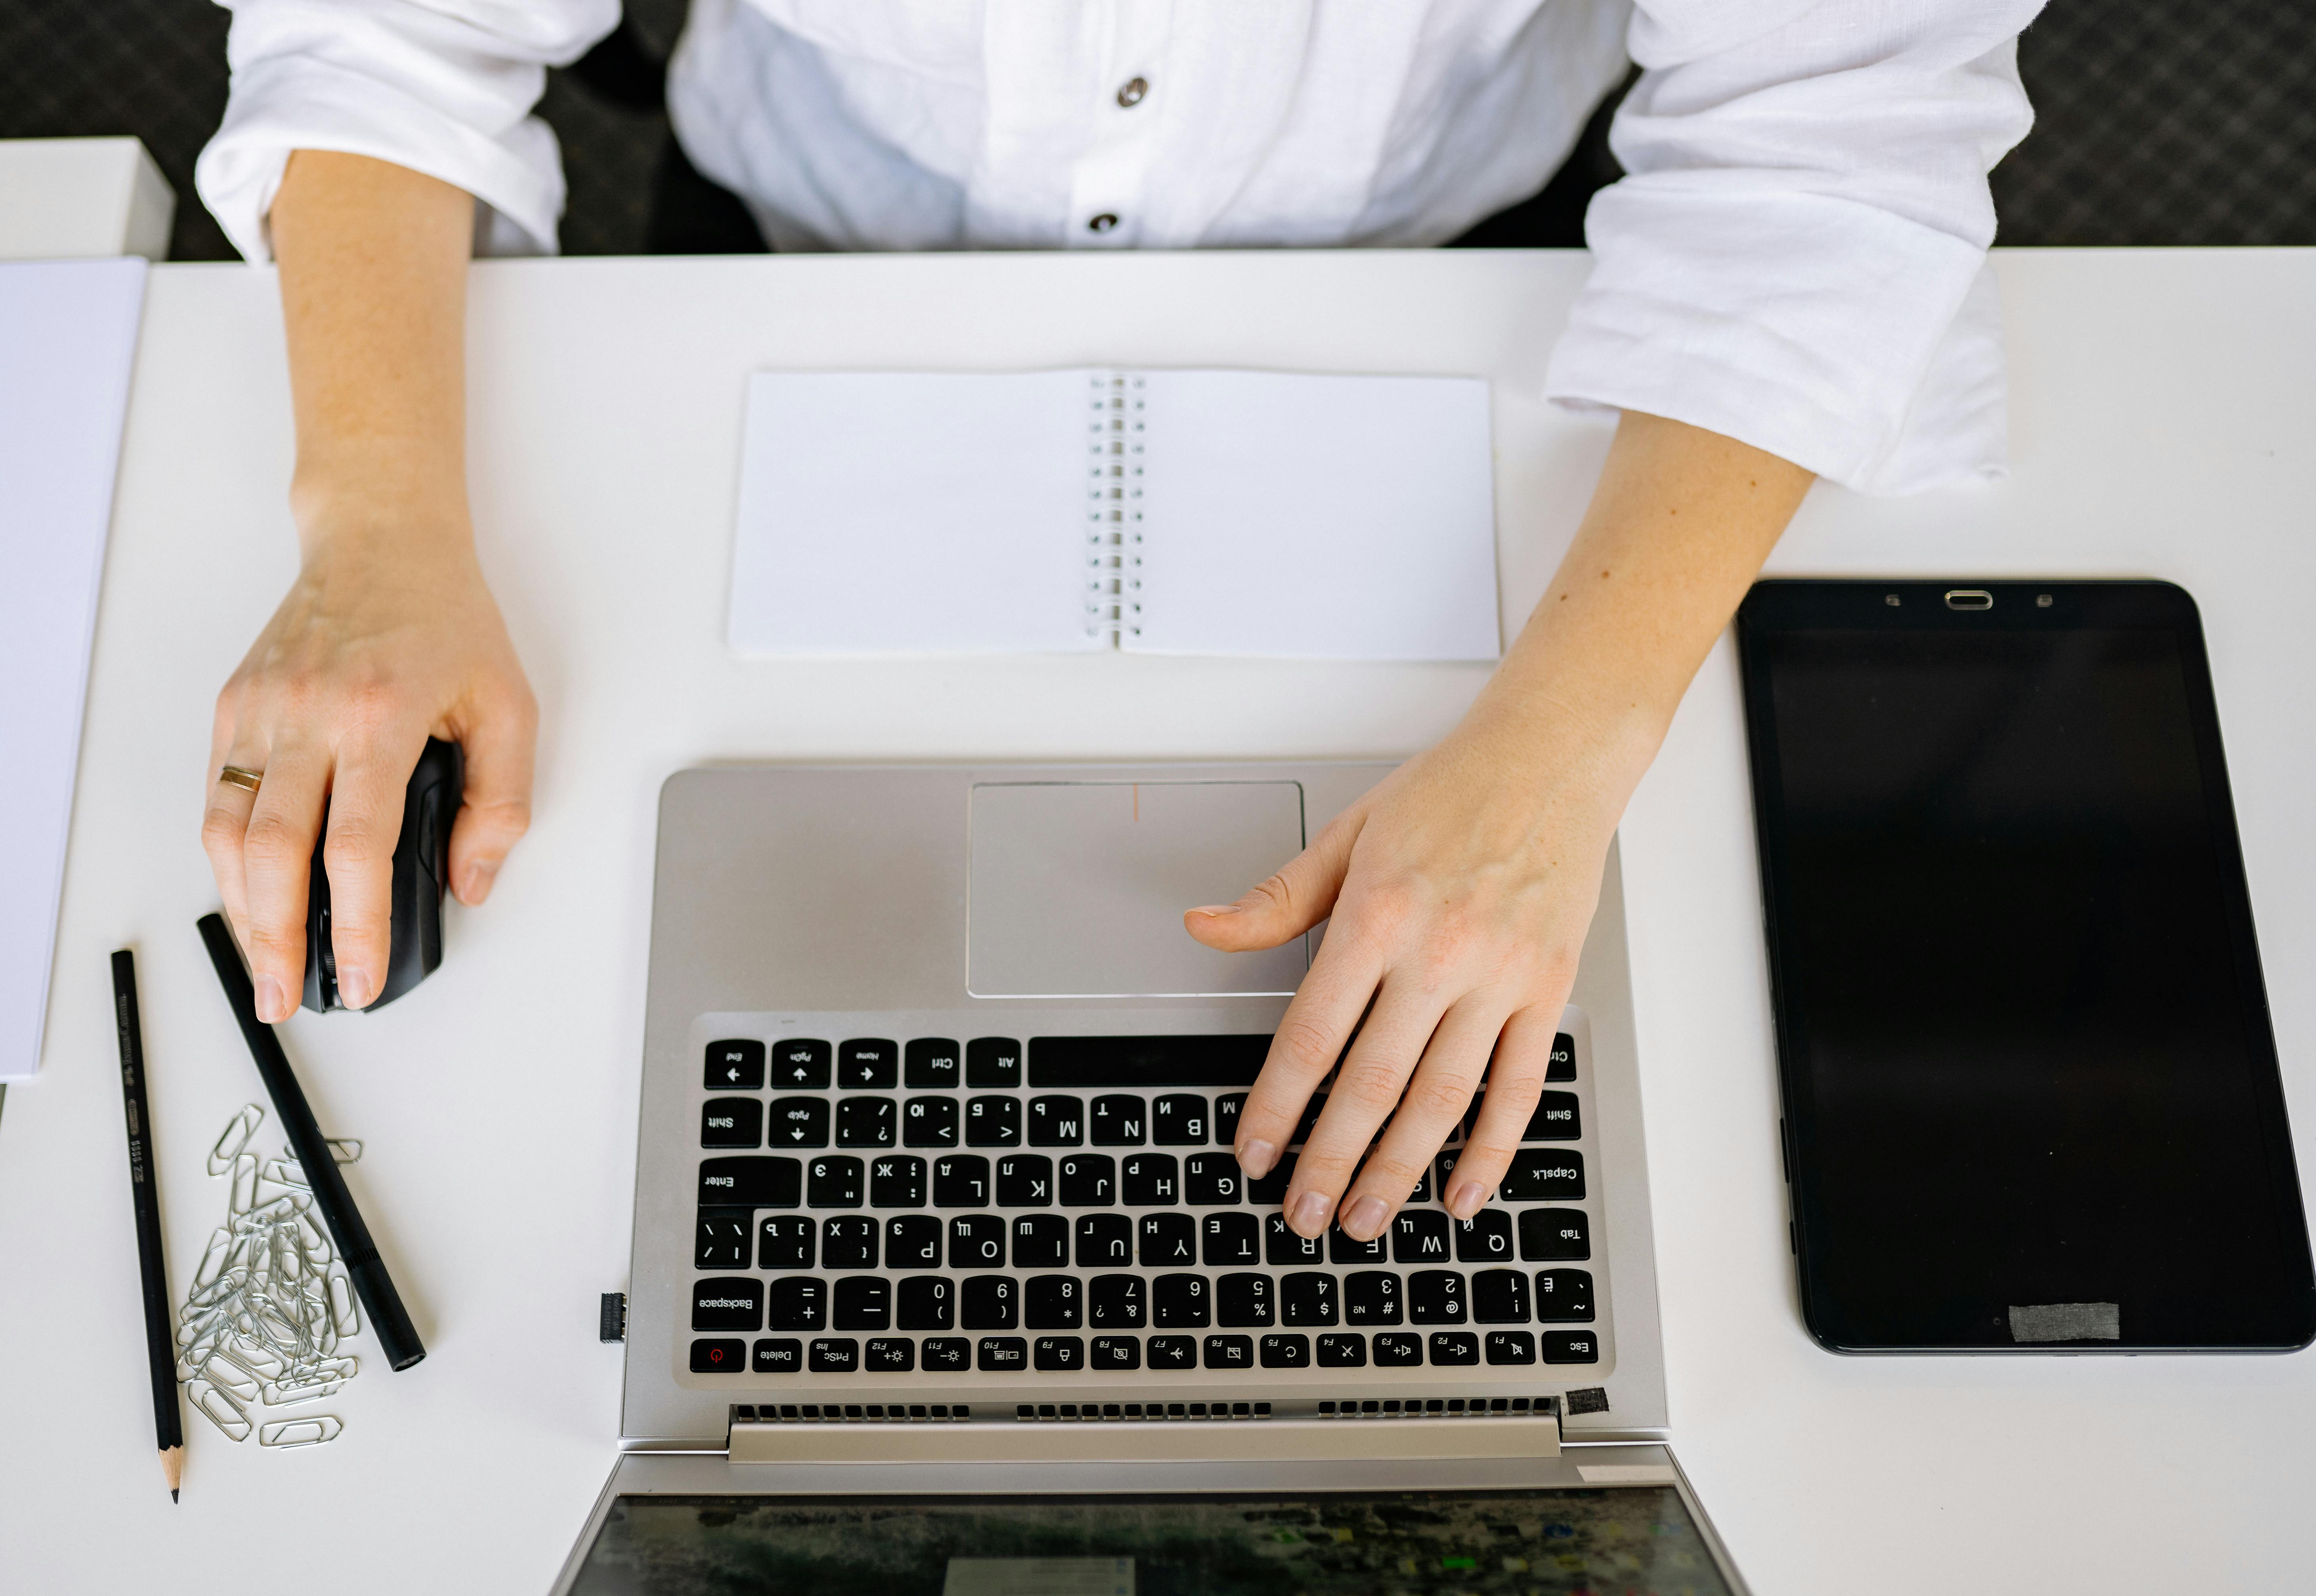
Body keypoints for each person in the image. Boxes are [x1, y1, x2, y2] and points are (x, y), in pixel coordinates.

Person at [193, 0, 2041, 1247]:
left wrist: (1564, 755)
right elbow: (384, 26)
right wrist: (373, 519)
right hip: (808, 243)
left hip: (1468, 280)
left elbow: (1830, 137)